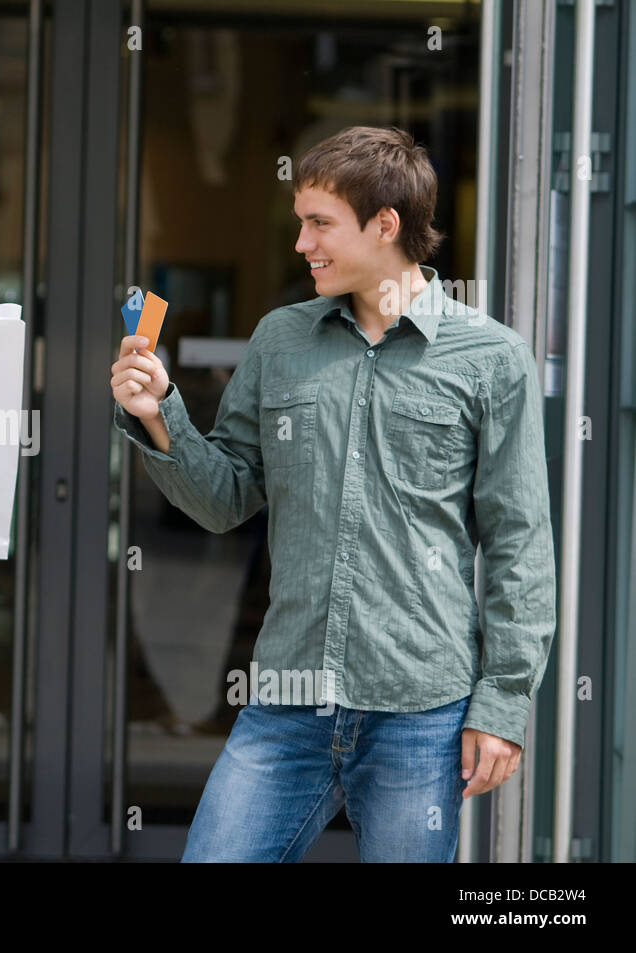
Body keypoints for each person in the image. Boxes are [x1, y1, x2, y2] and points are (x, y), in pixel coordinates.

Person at [110, 126, 556, 862]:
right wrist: (159, 415)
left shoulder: (491, 358)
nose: (300, 243)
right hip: (287, 701)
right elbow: (225, 498)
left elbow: (519, 542)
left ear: (385, 225)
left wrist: (504, 703)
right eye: (300, 221)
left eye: (319, 223)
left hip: (421, 707)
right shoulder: (282, 339)